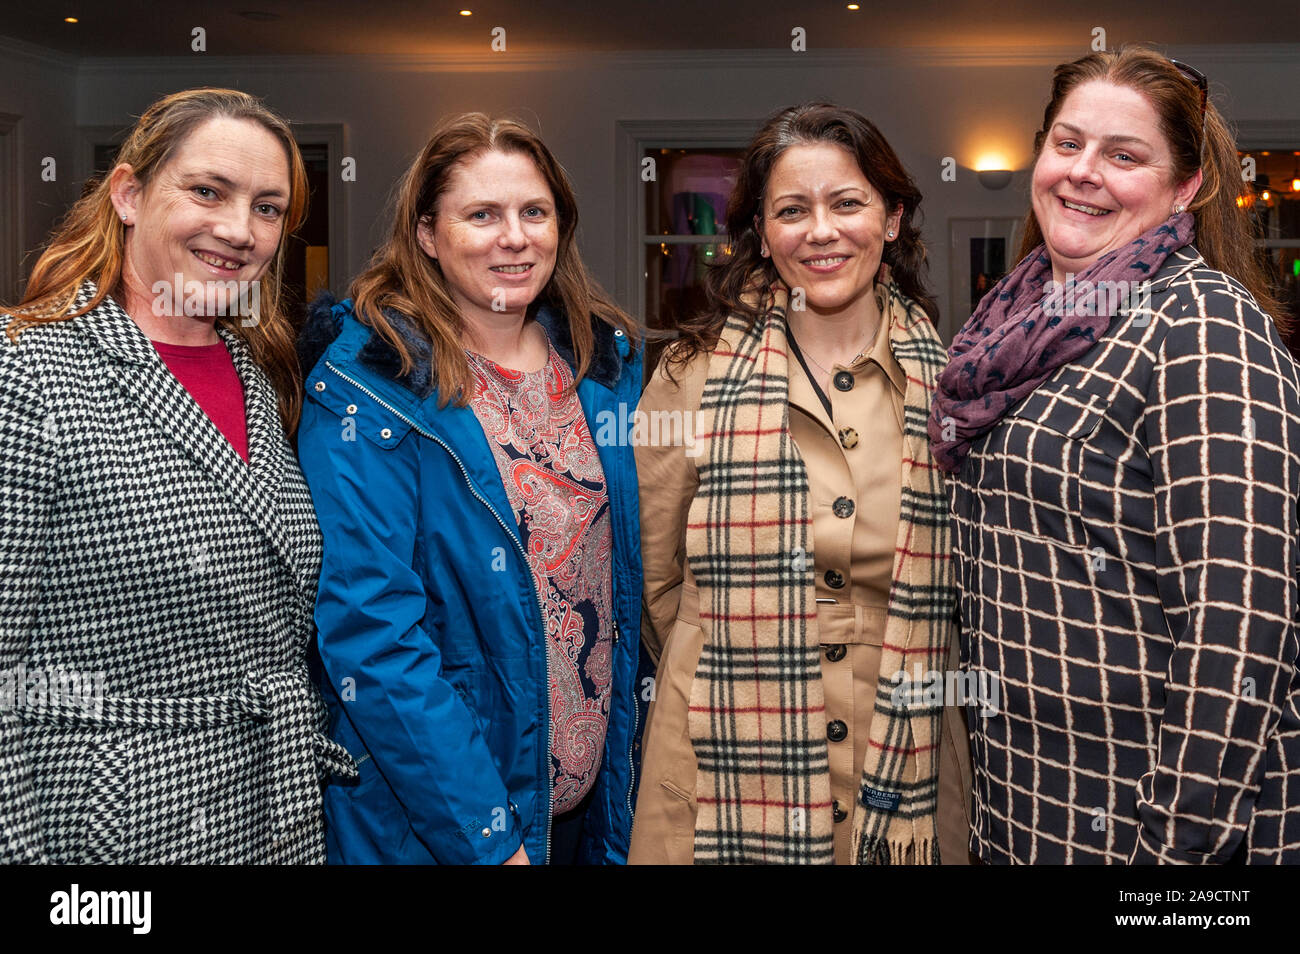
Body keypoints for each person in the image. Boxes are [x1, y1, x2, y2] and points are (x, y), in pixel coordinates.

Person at [931, 45, 1300, 864]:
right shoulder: (1015, 320)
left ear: (1187, 188)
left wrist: (1176, 858)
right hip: (1027, 801)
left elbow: (1237, 634)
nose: (1082, 172)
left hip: (1147, 825)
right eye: (1067, 144)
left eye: (1124, 155)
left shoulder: (1202, 328)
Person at [0, 87, 350, 864]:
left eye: (267, 208)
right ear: (128, 194)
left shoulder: (261, 371)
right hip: (112, 835)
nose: (239, 230)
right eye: (207, 191)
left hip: (270, 812)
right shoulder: (27, 368)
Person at [297, 113, 647, 865]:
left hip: (594, 814)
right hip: (443, 827)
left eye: (534, 212)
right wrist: (490, 841)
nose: (513, 237)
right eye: (480, 215)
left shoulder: (608, 369)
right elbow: (372, 634)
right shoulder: (370, 388)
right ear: (427, 234)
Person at [629, 102, 973, 865]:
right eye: (792, 210)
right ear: (761, 233)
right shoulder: (690, 380)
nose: (821, 231)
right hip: (718, 785)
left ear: (891, 219)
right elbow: (657, 587)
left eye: (847, 202)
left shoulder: (955, 388)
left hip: (904, 785)